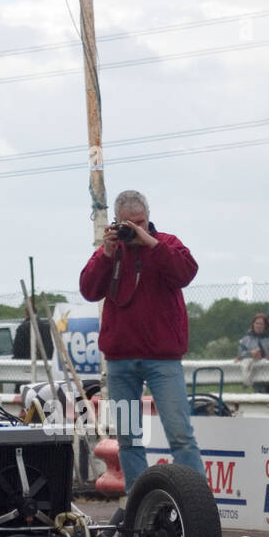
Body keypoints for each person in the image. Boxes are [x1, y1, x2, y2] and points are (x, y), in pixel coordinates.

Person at [79, 188, 205, 494]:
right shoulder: (110, 252)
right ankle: (138, 505)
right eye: (129, 223)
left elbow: (186, 272)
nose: (135, 228)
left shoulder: (167, 244)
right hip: (121, 358)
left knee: (180, 434)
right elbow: (88, 290)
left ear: (149, 218)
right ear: (116, 222)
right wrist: (107, 255)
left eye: (141, 222)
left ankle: (197, 502)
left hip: (163, 358)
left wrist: (151, 243)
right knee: (129, 437)